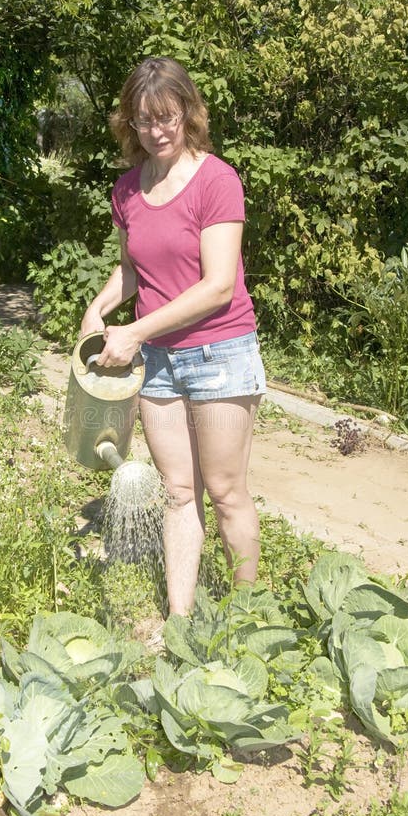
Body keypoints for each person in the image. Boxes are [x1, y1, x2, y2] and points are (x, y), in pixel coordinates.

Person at [80, 56, 267, 617]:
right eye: (143, 120)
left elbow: (216, 287)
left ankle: (246, 616)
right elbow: (136, 270)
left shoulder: (217, 180)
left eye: (166, 117)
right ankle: (182, 622)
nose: (156, 131)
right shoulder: (128, 191)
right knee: (179, 493)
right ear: (128, 125)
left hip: (221, 353)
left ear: (188, 112)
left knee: (226, 492)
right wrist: (98, 307)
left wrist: (132, 329)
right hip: (158, 362)